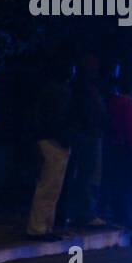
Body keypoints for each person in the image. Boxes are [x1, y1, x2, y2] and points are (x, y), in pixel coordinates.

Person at [26, 60, 75, 241]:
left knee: (52, 187)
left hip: (52, 139)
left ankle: (45, 226)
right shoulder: (58, 92)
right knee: (49, 186)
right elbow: (55, 119)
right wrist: (65, 138)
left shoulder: (52, 90)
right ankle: (38, 227)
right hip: (53, 141)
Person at [61, 52, 108, 228]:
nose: (95, 68)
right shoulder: (83, 88)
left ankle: (82, 212)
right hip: (88, 135)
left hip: (90, 134)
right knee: (88, 175)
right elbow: (87, 112)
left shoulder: (87, 87)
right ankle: (85, 213)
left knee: (86, 175)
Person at [106, 75, 132, 229]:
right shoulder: (126, 105)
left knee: (119, 184)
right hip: (127, 151)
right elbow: (131, 129)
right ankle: (122, 217)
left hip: (120, 149)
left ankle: (120, 215)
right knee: (124, 185)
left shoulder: (114, 104)